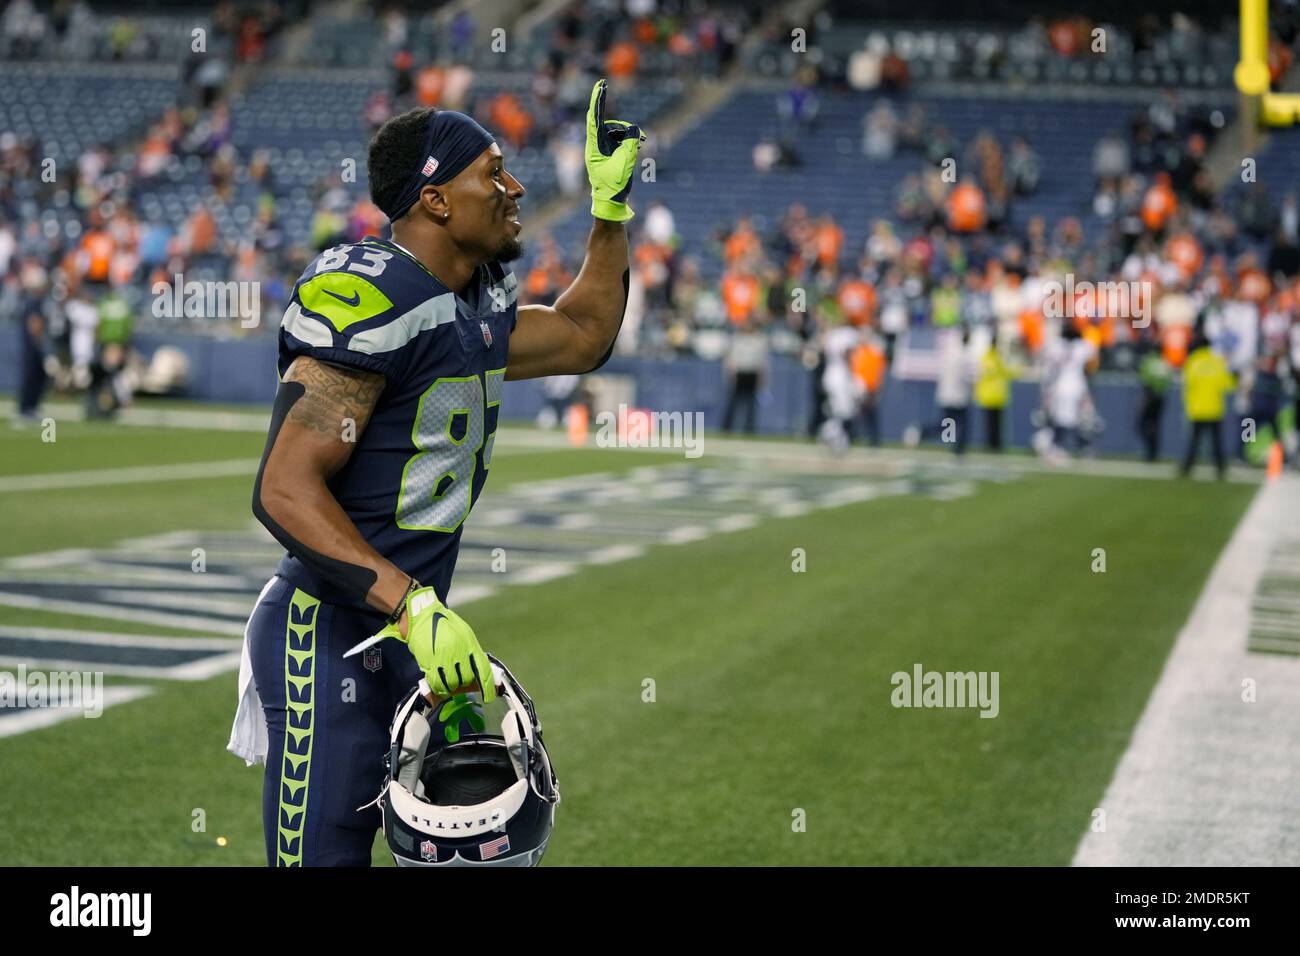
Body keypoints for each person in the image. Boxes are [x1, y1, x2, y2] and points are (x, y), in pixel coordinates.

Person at [228, 81, 647, 867]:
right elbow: (283, 488)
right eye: (492, 173)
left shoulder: (471, 308)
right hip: (329, 632)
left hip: (416, 637)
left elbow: (585, 334)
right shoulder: (375, 298)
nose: (513, 187)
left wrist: (610, 207)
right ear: (437, 200)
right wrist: (410, 606)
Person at [1179, 331, 1235, 479]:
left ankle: (1187, 467)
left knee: (1194, 441)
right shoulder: (1217, 362)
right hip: (1214, 408)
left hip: (1197, 408)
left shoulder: (1192, 361)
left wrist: (1188, 403)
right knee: (1217, 442)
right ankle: (1220, 468)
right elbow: (1227, 385)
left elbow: (1187, 384)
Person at [722, 317, 767, 434]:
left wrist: (761, 376)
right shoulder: (737, 338)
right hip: (740, 372)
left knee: (751, 403)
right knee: (734, 401)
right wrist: (731, 372)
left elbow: (761, 361)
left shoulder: (759, 339)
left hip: (752, 373)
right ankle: (727, 427)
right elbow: (731, 358)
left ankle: (749, 428)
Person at [973, 331, 1012, 452]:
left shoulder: (994, 358)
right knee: (991, 424)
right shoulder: (991, 358)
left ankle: (995, 445)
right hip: (991, 396)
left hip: (995, 396)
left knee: (995, 424)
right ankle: (991, 445)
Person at [1135, 337, 1171, 462]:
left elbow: (1145, 380)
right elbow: (1167, 381)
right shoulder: (1164, 363)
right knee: (1156, 425)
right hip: (1160, 397)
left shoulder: (1149, 362)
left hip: (1149, 396)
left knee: (1144, 424)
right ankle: (1155, 452)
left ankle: (1149, 453)